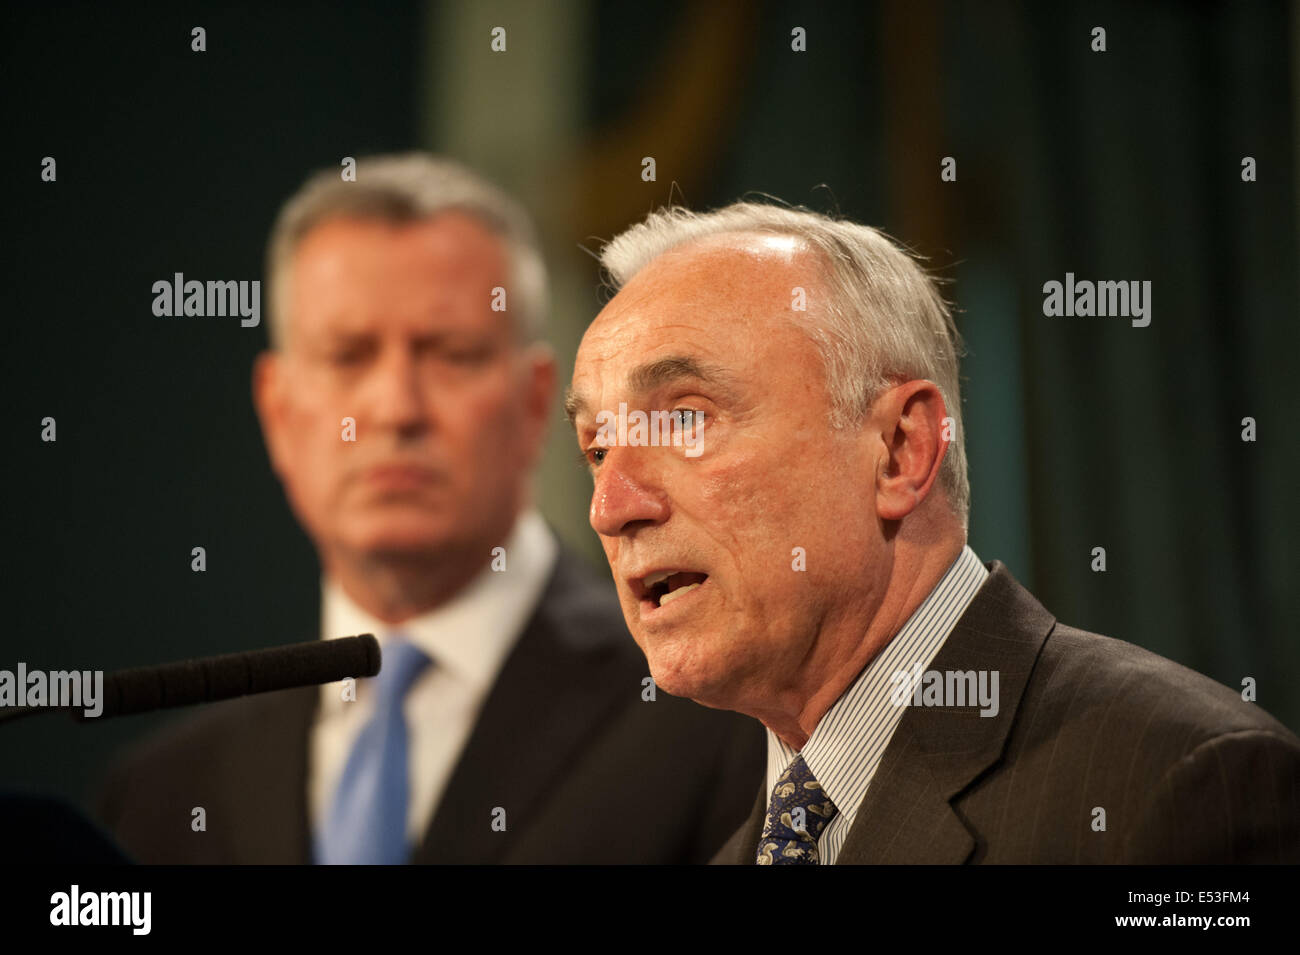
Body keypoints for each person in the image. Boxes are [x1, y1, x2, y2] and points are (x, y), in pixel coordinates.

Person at [565, 200, 1300, 864]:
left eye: (685, 420)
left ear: (899, 450)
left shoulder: (1180, 785)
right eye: (597, 448)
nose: (611, 505)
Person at [94, 155, 763, 864]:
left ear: (536, 404)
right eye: (348, 356)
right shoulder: (161, 794)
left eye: (449, 354)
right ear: (278, 411)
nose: (396, 409)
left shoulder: (713, 711)